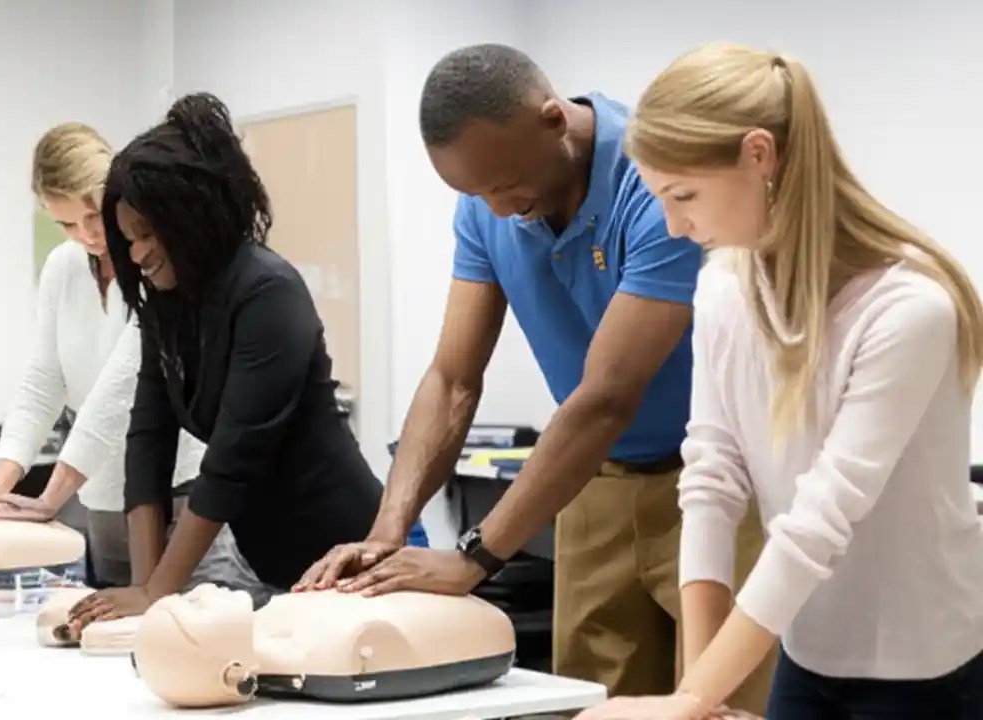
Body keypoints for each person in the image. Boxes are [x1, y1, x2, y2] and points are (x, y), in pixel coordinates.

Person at [296, 43, 773, 711]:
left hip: (723, 481)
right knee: (596, 700)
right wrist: (388, 531)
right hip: (595, 480)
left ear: (553, 119)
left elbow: (606, 396)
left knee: (726, 702)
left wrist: (476, 557)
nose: (494, 208)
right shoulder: (488, 206)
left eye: (503, 185)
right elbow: (453, 377)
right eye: (474, 194)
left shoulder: (657, 183)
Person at [576, 43, 983, 720]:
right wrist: (696, 697)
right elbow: (711, 477)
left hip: (923, 668)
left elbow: (820, 521)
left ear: (759, 156)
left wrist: (691, 698)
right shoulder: (724, 291)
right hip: (809, 648)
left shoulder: (908, 309)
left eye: (684, 196)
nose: (675, 225)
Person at [62, 92, 387, 634]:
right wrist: (148, 593)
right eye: (129, 239)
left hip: (347, 559)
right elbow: (148, 441)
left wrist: (157, 591)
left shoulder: (268, 292)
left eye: (147, 234)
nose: (137, 253)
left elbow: (233, 460)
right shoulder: (168, 304)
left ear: (190, 218)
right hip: (272, 563)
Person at [0, 123, 261, 595]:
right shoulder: (63, 268)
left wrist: (47, 500)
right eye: (66, 223)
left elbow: (120, 392)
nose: (86, 234)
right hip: (101, 496)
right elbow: (43, 380)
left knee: (193, 629)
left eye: (93, 214)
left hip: (179, 493)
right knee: (113, 632)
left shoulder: (155, 264)